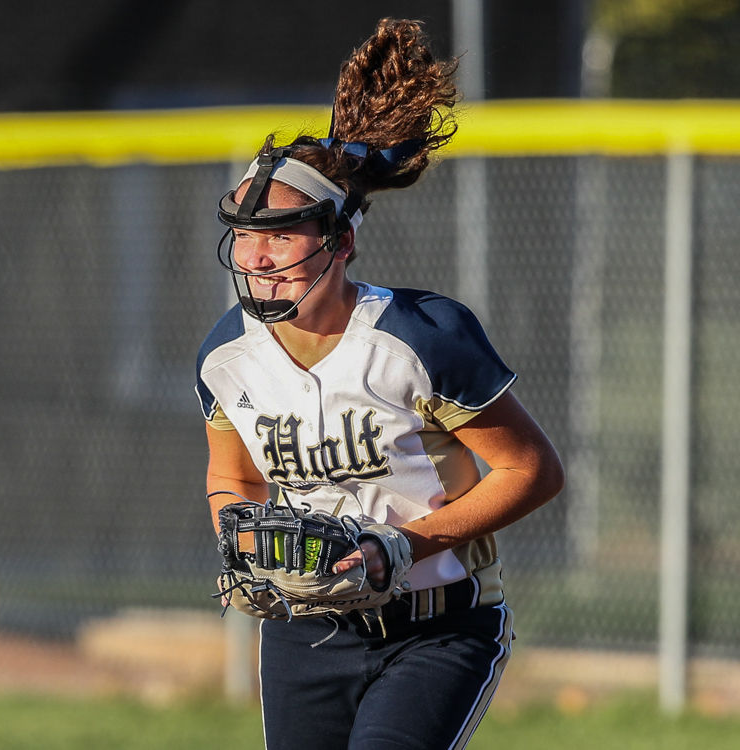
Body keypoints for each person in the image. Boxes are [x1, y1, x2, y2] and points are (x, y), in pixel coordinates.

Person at [195, 18, 565, 750]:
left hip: (435, 627)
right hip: (304, 633)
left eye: (283, 232)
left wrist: (403, 544)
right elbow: (229, 477)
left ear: (340, 239)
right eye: (246, 232)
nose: (258, 255)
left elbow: (532, 470)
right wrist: (243, 538)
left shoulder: (420, 336)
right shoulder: (225, 356)